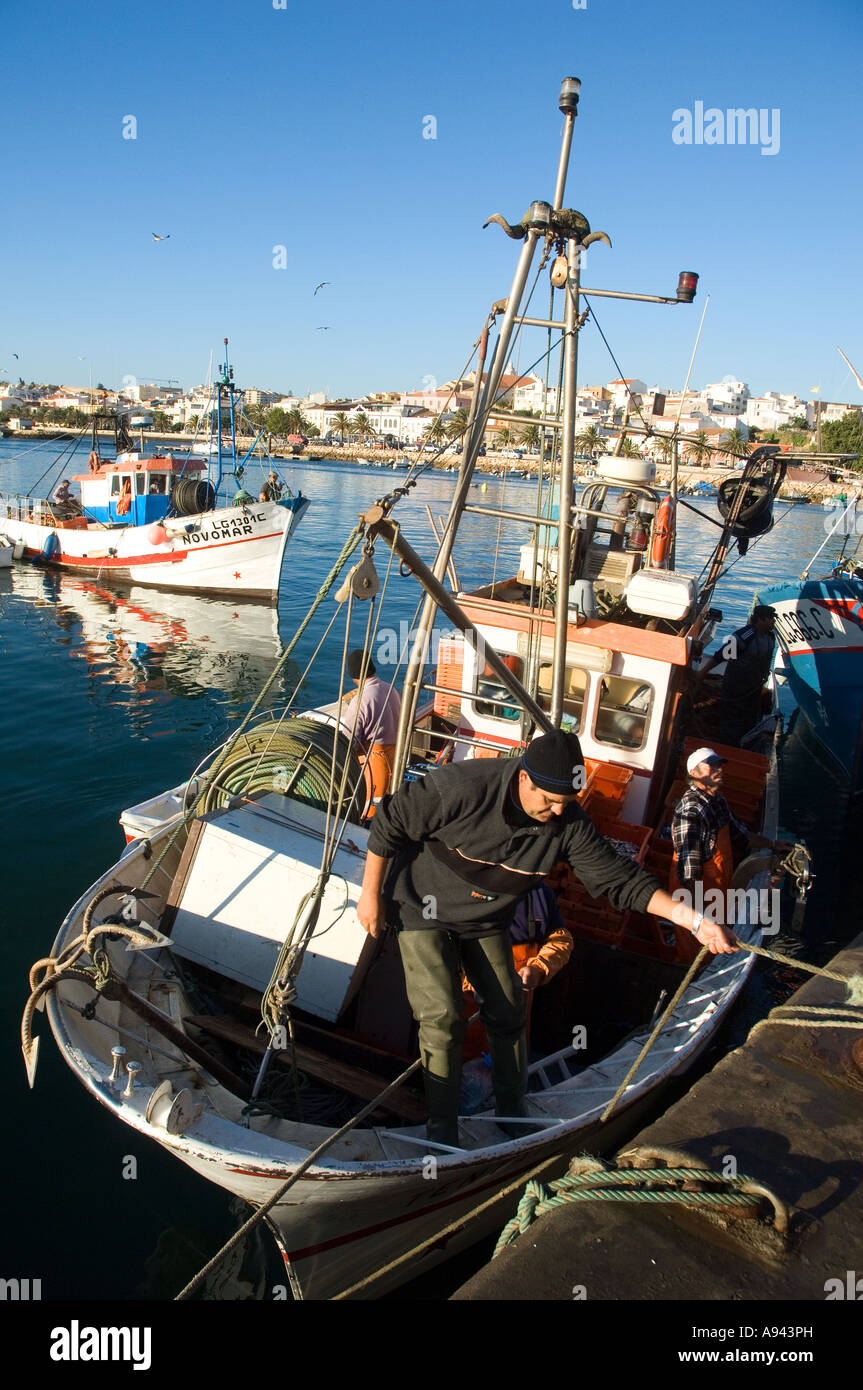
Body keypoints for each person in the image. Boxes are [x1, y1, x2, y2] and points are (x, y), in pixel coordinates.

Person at [357, 728, 733, 1146]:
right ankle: (442, 1128)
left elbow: (619, 878)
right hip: (421, 906)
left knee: (508, 1008)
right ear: (523, 779)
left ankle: (512, 1113)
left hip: (485, 918)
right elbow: (391, 820)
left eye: (565, 802)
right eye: (549, 800)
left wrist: (693, 920)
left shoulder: (567, 822)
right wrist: (370, 896)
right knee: (443, 1016)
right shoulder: (464, 787)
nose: (557, 812)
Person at [670, 747, 783, 953]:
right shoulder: (691, 810)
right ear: (694, 773)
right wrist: (700, 918)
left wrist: (773, 844)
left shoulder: (718, 802)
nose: (718, 769)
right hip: (694, 896)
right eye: (711, 765)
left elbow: (742, 836)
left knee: (717, 945)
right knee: (693, 950)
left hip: (717, 892)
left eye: (719, 765)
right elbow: (689, 873)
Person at [462, 881, 572, 1062]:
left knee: (506, 1069)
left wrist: (538, 968)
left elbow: (560, 940)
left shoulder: (540, 894)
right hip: (466, 1010)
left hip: (513, 1019)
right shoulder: (464, 882)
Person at [695, 606, 776, 746]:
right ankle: (727, 744)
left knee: (750, 717)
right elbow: (720, 656)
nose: (773, 622)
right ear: (761, 619)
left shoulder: (770, 636)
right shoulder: (745, 636)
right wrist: (702, 673)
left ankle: (744, 741)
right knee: (731, 717)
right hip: (736, 686)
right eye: (771, 618)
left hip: (754, 686)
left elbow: (767, 658)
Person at [343, 650, 402, 808]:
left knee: (369, 811)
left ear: (354, 675)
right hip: (396, 759)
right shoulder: (391, 690)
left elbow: (350, 743)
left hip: (374, 764)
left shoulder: (360, 700)